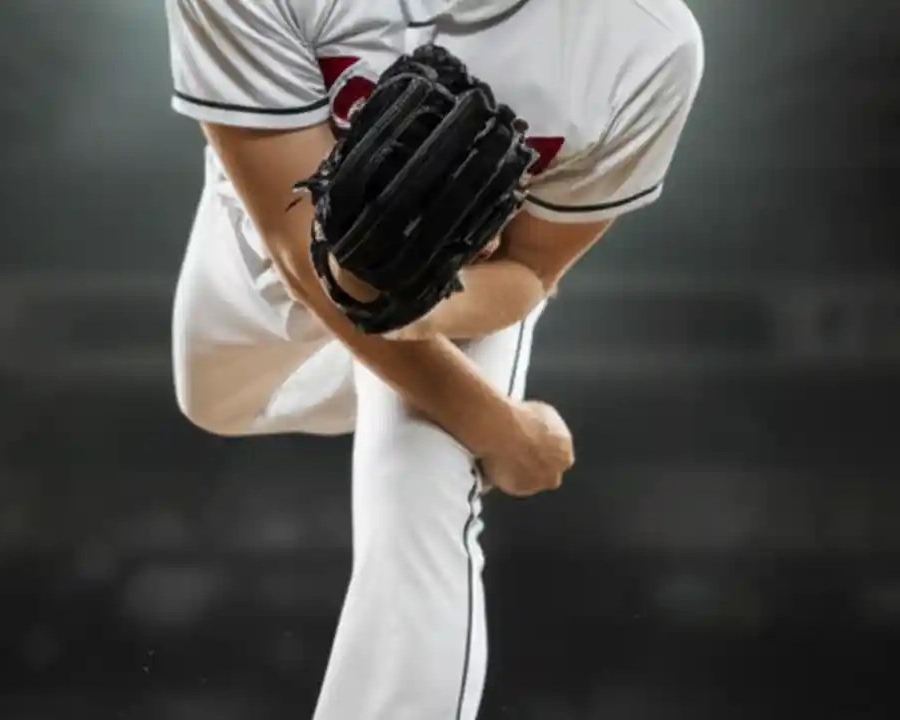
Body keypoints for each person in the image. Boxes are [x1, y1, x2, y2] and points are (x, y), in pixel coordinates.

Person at [164, 0, 704, 717]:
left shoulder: (646, 43)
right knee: (212, 402)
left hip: (461, 281)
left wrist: (418, 306)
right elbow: (299, 252)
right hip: (262, 242)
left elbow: (530, 275)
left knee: (419, 505)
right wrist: (504, 432)